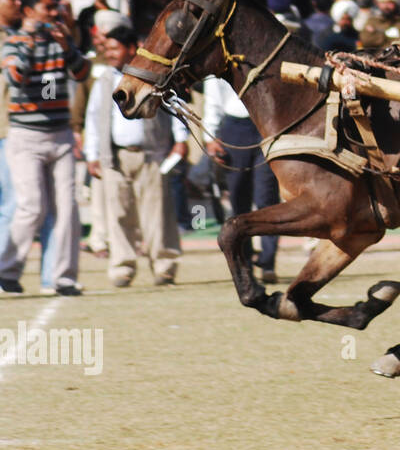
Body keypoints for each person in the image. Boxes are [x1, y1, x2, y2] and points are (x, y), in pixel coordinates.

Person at [0, 0, 88, 295]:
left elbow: (82, 73)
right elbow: (15, 77)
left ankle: (63, 277)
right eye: (48, 7)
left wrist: (67, 46)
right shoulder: (12, 42)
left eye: (56, 6)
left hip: (60, 135)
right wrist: (31, 41)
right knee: (31, 206)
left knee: (67, 208)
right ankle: (7, 270)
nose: (55, 11)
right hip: (25, 138)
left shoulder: (60, 39)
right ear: (28, 9)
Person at [84, 24, 186, 287]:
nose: (110, 54)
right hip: (115, 158)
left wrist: (180, 140)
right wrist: (92, 155)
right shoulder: (104, 80)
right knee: (119, 215)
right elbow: (93, 119)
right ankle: (122, 267)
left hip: (151, 153)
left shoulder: (152, 75)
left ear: (131, 49)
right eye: (107, 49)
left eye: (115, 48)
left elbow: (173, 105)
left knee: (157, 214)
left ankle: (164, 265)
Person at [203, 75, 281, 284]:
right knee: (239, 198)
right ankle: (245, 261)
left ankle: (267, 261)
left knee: (267, 196)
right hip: (234, 127)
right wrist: (210, 138)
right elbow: (213, 99)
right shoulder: (220, 62)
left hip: (266, 121)